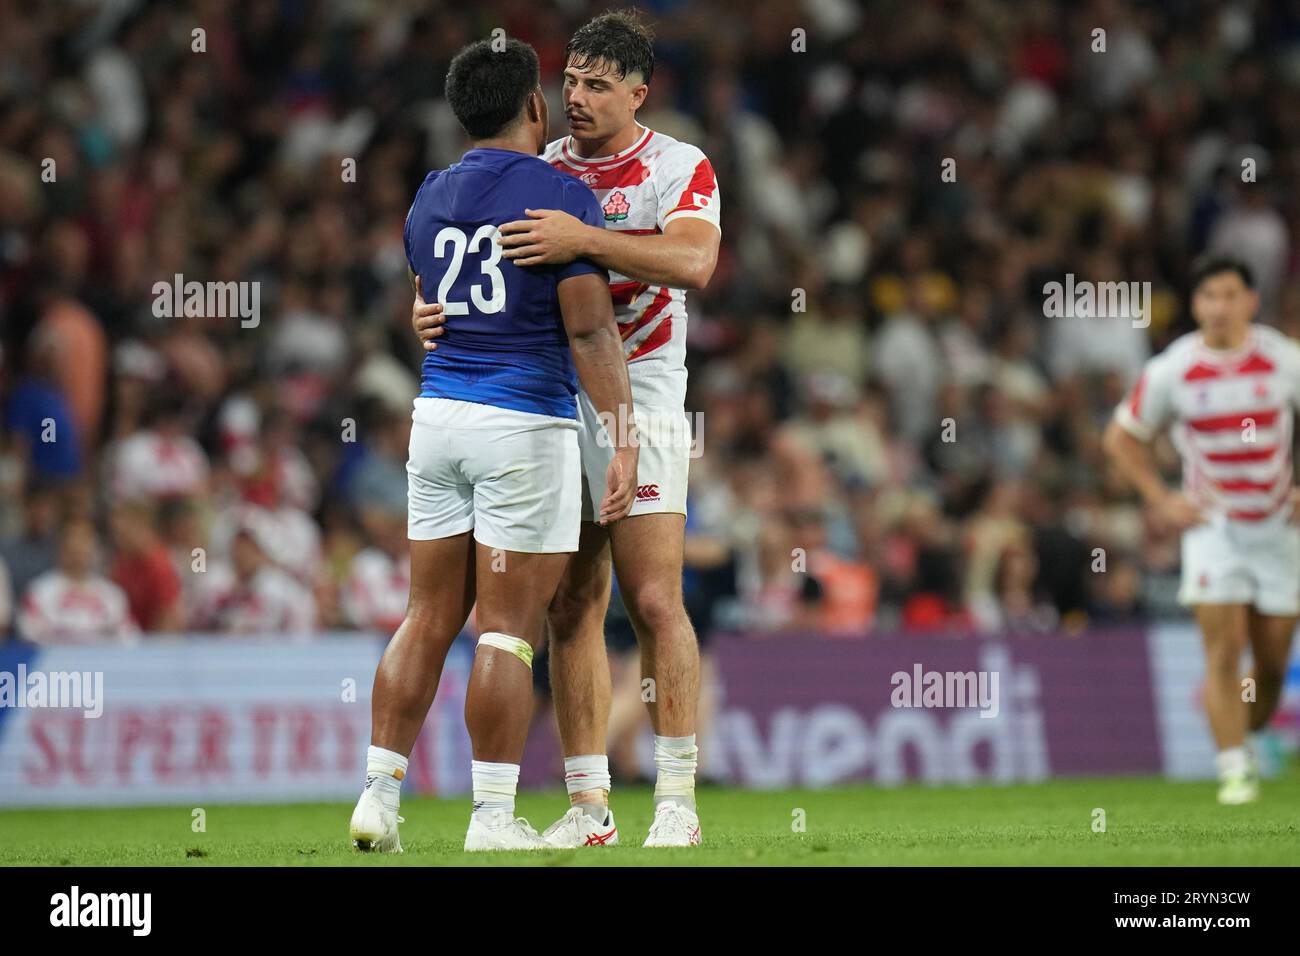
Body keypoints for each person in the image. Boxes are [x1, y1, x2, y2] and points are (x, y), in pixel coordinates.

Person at [413, 8, 720, 848]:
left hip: (647, 389)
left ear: (637, 91)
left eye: (596, 84)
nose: (575, 96)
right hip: (555, 394)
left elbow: (694, 262)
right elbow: (462, 258)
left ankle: (679, 801)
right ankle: (590, 809)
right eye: (571, 81)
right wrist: (426, 305)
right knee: (572, 603)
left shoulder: (677, 166)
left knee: (655, 597)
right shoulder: (542, 167)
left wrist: (587, 237)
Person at [349, 37, 637, 854]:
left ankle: (378, 795)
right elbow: (589, 329)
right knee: (507, 630)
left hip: (437, 421)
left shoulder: (430, 196)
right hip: (523, 427)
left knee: (426, 615)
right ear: (535, 107)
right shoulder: (559, 194)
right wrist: (622, 438)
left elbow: (430, 301)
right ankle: (491, 818)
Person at [1103, 255, 1300, 805]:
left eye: (1230, 295)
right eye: (1209, 296)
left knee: (1271, 660)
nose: (1219, 307)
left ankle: (1253, 731)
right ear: (1195, 305)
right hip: (1213, 528)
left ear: (1251, 302)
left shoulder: (1282, 360)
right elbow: (1120, 438)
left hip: (1279, 527)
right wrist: (1159, 498)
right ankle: (1232, 767)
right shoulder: (1174, 369)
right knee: (1223, 648)